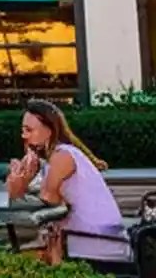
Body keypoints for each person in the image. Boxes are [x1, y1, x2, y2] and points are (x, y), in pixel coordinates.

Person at [7, 100, 127, 264]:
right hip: (89, 239)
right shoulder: (54, 157)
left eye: (29, 130)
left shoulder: (62, 156)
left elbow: (48, 204)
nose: (24, 136)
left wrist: (21, 181)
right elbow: (19, 201)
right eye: (23, 130)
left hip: (97, 245)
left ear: (49, 131)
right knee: (18, 258)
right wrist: (18, 181)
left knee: (16, 262)